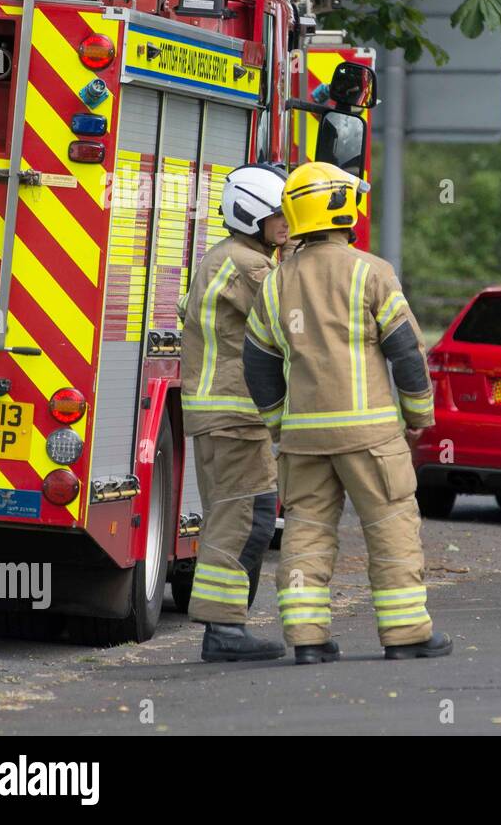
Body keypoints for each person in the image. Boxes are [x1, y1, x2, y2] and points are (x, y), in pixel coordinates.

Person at [243, 161, 452, 664]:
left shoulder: (276, 282)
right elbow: (405, 350)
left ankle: (307, 640)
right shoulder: (371, 272)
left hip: (304, 441)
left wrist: (277, 422)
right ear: (341, 207)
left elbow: (257, 361)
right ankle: (405, 635)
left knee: (307, 533)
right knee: (391, 526)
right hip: (371, 435)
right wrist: (419, 414)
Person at [179, 163, 289, 663]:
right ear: (251, 216)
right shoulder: (251, 266)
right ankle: (224, 631)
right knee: (243, 517)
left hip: (220, 415)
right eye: (278, 218)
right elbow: (291, 323)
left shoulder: (222, 256)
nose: (286, 226)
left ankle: (227, 628)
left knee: (242, 514)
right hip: (235, 416)